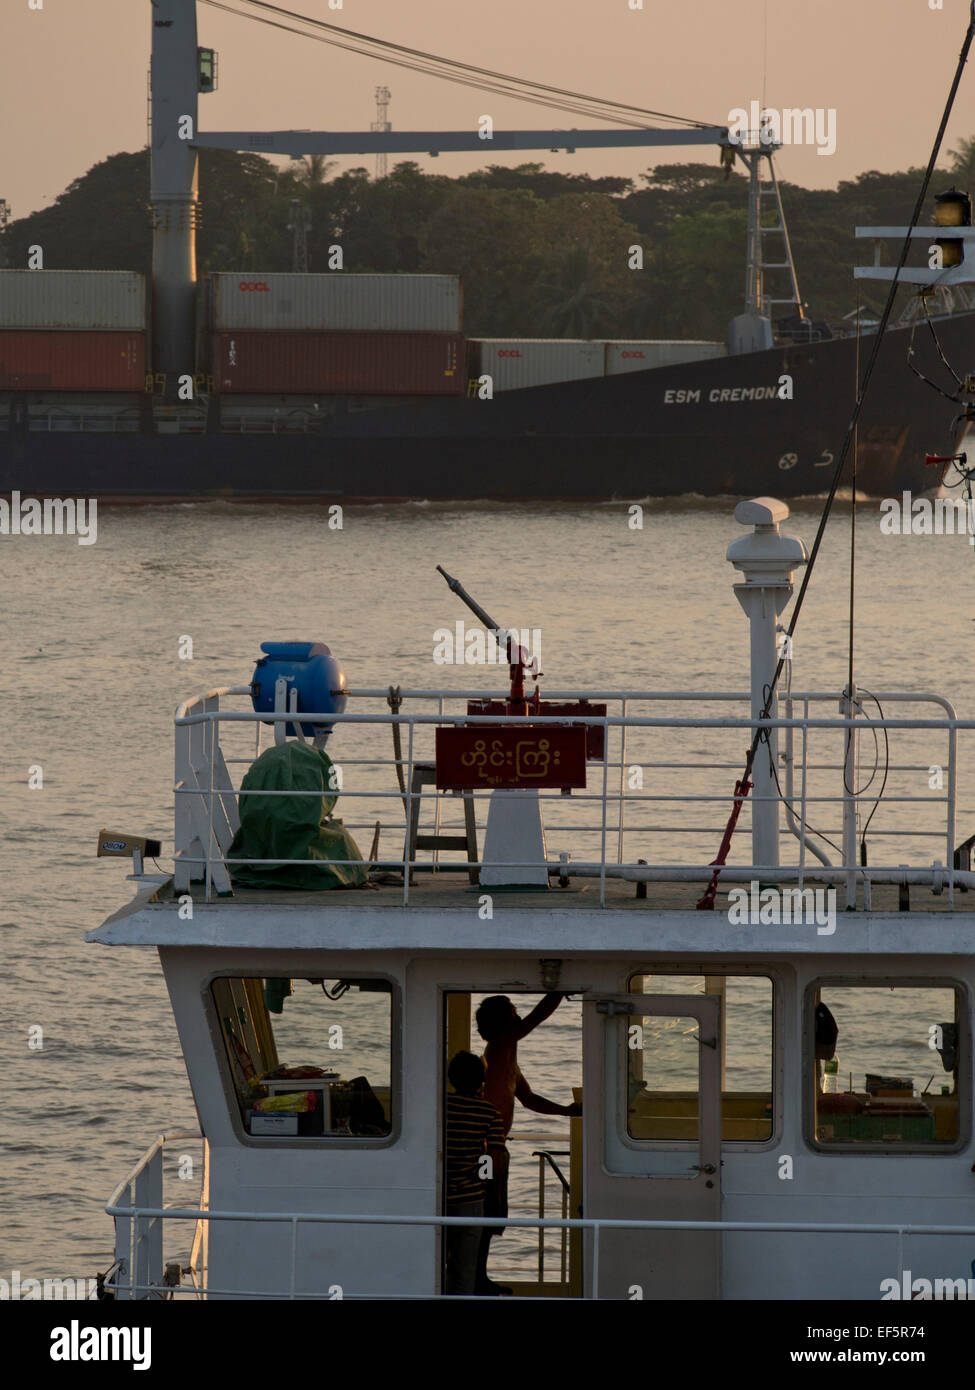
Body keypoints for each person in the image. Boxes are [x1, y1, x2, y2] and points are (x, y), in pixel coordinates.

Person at [474, 993, 582, 1294]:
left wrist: (566, 1111)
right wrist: (558, 990)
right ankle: (476, 1281)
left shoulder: (507, 1058)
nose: (518, 1014)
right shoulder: (498, 1048)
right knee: (483, 1213)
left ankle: (479, 1278)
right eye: (512, 1011)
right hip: (485, 1152)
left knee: (491, 1216)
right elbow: (537, 1017)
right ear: (502, 1022)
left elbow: (529, 1099)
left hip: (495, 1149)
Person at [444, 1050, 508, 1296]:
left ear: (451, 1078)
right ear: (482, 1080)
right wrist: (481, 1180)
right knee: (465, 1269)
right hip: (471, 1200)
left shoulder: (441, 1107)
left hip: (438, 1199)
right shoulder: (489, 1113)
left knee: (435, 1263)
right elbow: (494, 1160)